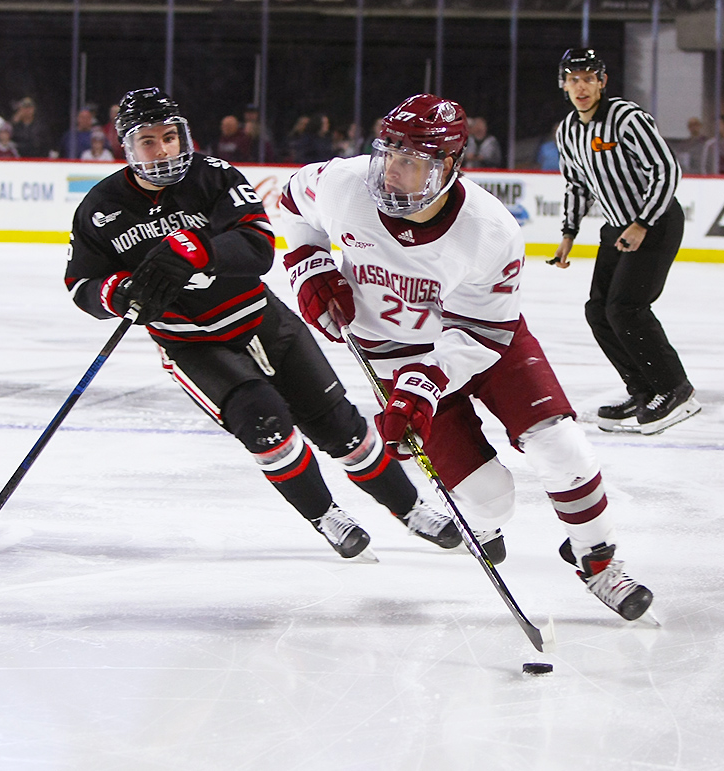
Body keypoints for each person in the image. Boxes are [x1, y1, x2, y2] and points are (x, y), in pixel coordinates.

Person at [279, 92, 654, 621]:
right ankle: (484, 519)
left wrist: (424, 385)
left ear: (451, 164)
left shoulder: (489, 229)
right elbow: (294, 206)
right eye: (388, 155)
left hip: (484, 342)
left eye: (412, 162)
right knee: (490, 497)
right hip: (391, 354)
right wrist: (308, 266)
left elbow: (483, 331)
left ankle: (597, 561)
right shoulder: (344, 183)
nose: (391, 174)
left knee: (562, 448)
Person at [65, 87, 461, 561]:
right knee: (265, 424)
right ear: (127, 146)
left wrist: (198, 250)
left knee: (341, 426)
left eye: (170, 136)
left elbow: (257, 248)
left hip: (262, 320)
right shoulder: (100, 207)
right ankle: (325, 514)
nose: (164, 150)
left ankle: (410, 507)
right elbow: (81, 283)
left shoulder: (214, 177)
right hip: (192, 345)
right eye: (148, 141)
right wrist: (118, 294)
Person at [552, 48, 700, 435]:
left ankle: (674, 389)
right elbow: (576, 184)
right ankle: (642, 389)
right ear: (563, 85)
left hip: (655, 222)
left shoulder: (626, 119)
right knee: (599, 311)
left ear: (602, 82)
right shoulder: (568, 130)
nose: (580, 86)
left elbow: (666, 169)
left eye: (588, 78)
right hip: (616, 228)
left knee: (627, 308)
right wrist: (568, 233)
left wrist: (641, 222)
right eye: (573, 79)